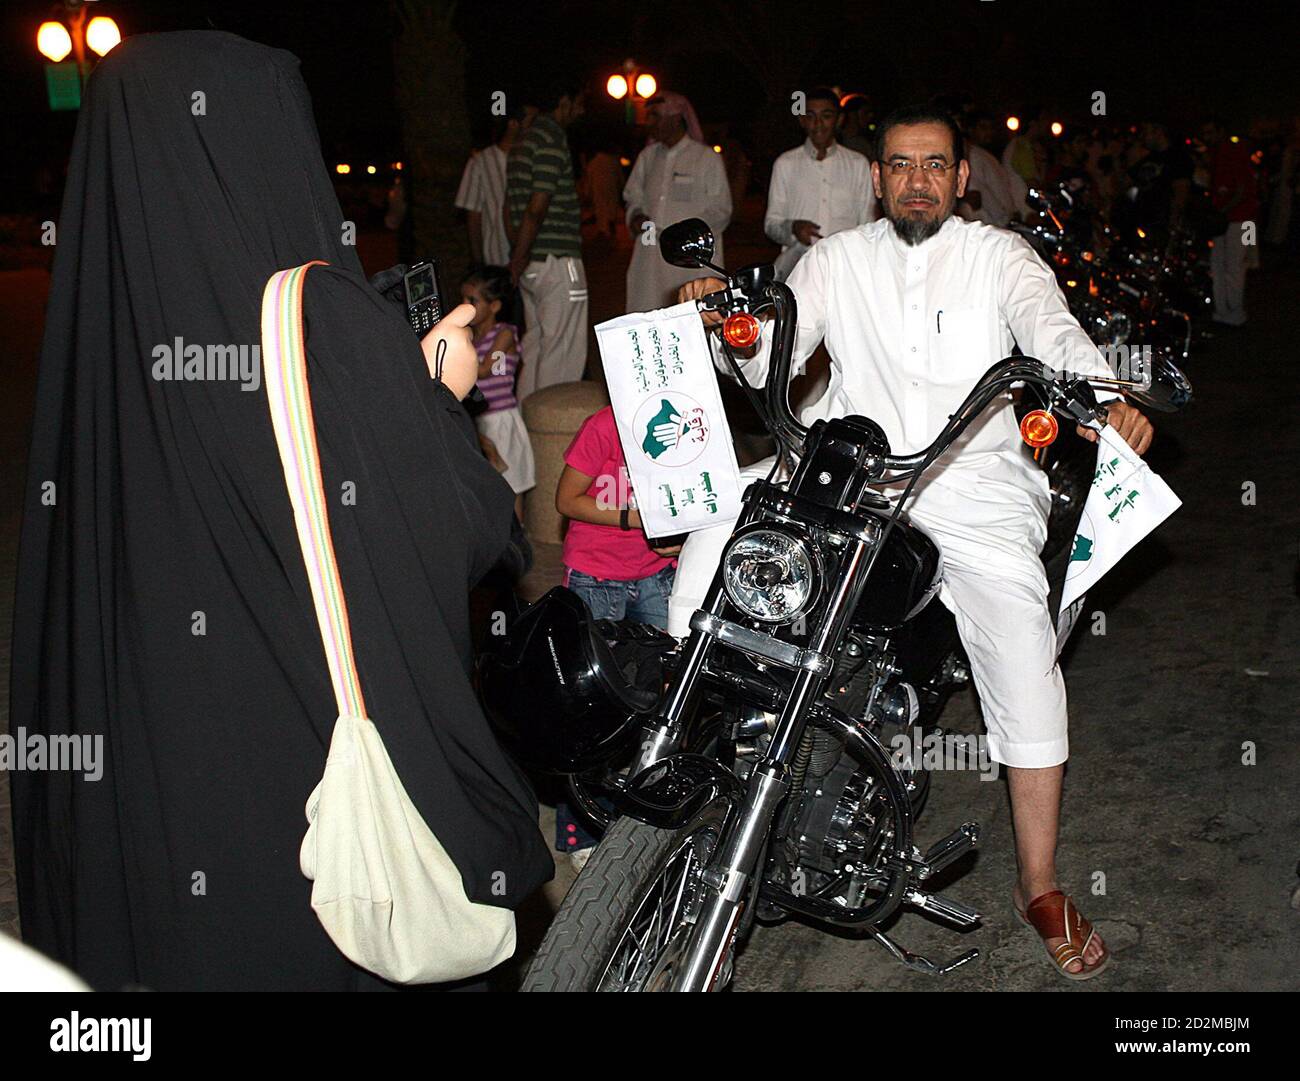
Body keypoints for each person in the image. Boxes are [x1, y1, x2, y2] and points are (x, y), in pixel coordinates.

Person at [9, 31, 552, 991]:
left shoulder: (92, 338)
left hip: (143, 770)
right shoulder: (317, 322)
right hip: (287, 787)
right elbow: (467, 533)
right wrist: (436, 392)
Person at [673, 104, 1157, 981]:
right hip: (845, 469)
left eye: (936, 164)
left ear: (962, 178)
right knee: (716, 532)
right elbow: (773, 359)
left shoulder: (999, 257)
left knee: (1020, 647)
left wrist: (1104, 393)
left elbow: (1054, 334)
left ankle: (1039, 882)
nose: (918, 179)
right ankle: (673, 742)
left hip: (969, 487)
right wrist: (728, 326)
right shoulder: (834, 259)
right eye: (901, 164)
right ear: (877, 176)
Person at [553, 404, 680, 868]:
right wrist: (638, 519)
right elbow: (567, 500)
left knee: (663, 697)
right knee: (591, 702)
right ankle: (580, 830)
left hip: (655, 575)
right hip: (596, 578)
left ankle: (641, 818)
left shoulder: (689, 422)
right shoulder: (606, 424)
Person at [506, 77, 588, 399]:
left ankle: (527, 437)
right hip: (557, 262)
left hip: (533, 264)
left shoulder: (522, 140)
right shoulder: (551, 138)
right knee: (561, 354)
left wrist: (519, 254)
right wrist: (520, 255)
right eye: (579, 103)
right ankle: (550, 437)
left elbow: (508, 205)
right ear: (563, 102)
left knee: (536, 348)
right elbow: (536, 207)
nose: (580, 111)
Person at [623, 93, 732, 311]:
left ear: (675, 118)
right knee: (647, 313)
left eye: (655, 117)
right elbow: (632, 196)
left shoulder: (705, 157)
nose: (650, 123)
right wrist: (635, 215)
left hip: (690, 261)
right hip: (650, 256)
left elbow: (721, 210)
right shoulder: (647, 157)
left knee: (691, 317)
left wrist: (688, 236)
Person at [765, 87, 875, 279]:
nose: (818, 124)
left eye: (826, 116)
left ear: (839, 120)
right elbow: (771, 225)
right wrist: (793, 228)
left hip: (845, 271)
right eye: (810, 116)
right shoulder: (786, 164)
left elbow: (868, 226)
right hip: (799, 271)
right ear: (802, 120)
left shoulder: (858, 164)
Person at [462, 265, 535, 520]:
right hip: (481, 420)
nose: (466, 306)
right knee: (490, 486)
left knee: (511, 486)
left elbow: (483, 371)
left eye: (473, 300)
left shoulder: (504, 334)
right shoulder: (471, 337)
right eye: (464, 299)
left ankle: (518, 541)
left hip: (501, 419)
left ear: (494, 306)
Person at [455, 104, 536, 266]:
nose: (535, 128)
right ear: (513, 124)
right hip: (498, 260)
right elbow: (473, 216)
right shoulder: (481, 163)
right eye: (531, 121)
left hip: (533, 262)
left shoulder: (534, 159)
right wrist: (478, 263)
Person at [1200, 117, 1259, 327]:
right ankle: (1223, 309)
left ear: (1221, 131)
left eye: (1210, 132)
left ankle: (1235, 311)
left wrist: (1220, 211)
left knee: (1235, 266)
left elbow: (1242, 190)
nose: (1207, 138)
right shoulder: (1217, 154)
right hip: (1228, 219)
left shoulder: (1233, 152)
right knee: (1219, 265)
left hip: (1240, 219)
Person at [958, 108, 1026, 228]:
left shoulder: (986, 155)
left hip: (1005, 223)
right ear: (970, 130)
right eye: (983, 128)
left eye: (991, 128)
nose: (988, 132)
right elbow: (979, 195)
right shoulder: (971, 156)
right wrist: (1004, 219)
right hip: (992, 225)